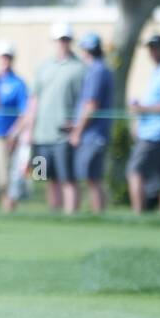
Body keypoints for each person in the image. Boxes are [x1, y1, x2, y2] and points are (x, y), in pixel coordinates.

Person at [20, 21, 86, 214]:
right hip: (41, 135)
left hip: (63, 136)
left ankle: (71, 215)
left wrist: (77, 125)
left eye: (66, 39)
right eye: (59, 40)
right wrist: (28, 130)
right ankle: (52, 214)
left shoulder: (79, 68)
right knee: (45, 178)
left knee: (68, 178)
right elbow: (34, 100)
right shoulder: (44, 67)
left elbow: (85, 102)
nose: (62, 43)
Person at [127, 33, 160, 216]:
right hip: (154, 133)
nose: (152, 52)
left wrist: (143, 109)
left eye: (156, 48)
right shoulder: (158, 72)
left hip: (157, 134)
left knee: (135, 171)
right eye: (150, 48)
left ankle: (139, 215)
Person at [69, 32, 115, 213]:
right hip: (92, 132)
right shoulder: (101, 69)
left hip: (93, 134)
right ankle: (98, 214)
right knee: (92, 178)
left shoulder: (96, 70)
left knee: (92, 178)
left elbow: (91, 106)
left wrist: (77, 131)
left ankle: (98, 215)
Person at [0, 41, 29, 212]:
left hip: (9, 137)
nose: (5, 60)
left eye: (8, 57)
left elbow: (24, 112)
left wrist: (14, 134)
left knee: (9, 178)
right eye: (2, 57)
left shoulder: (18, 83)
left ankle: (8, 210)